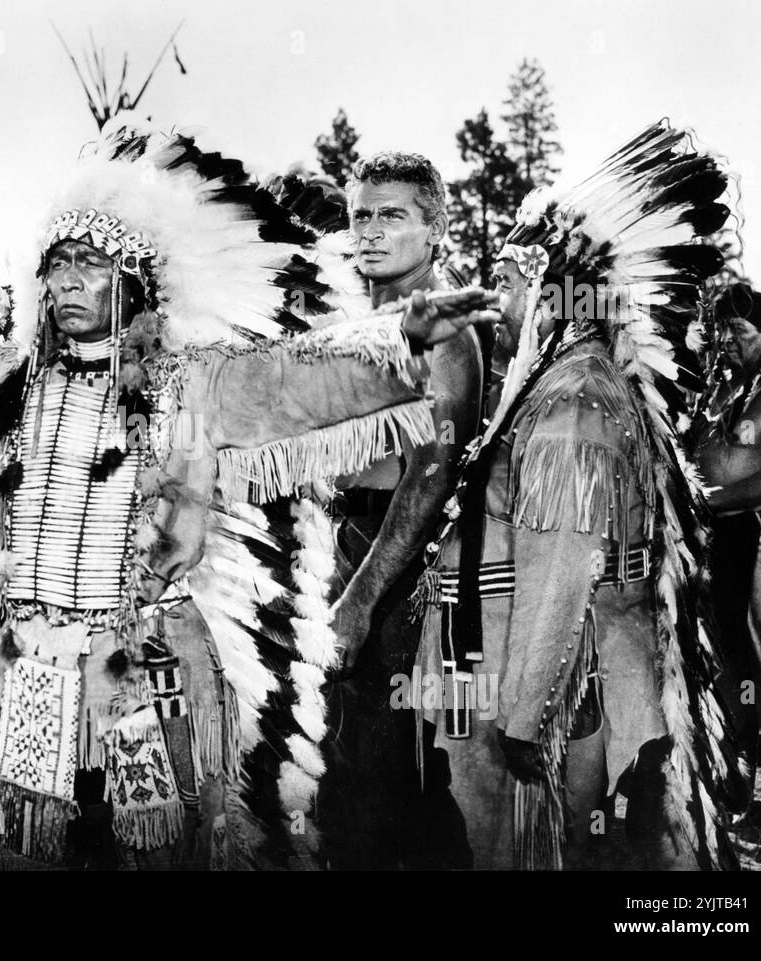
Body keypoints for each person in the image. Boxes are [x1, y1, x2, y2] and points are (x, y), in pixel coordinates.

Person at [0, 115, 496, 869]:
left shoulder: (192, 385)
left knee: (157, 851)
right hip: (28, 667)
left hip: (152, 671)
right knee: (28, 851)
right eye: (55, 264)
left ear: (132, 282)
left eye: (88, 263)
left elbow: (297, 382)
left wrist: (399, 336)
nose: (65, 279)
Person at [408, 121, 740, 869]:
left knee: (529, 849)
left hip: (551, 692)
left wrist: (524, 716)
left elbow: (561, 568)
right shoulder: (560, 387)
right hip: (526, 667)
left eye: (516, 277)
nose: (503, 295)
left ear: (559, 292)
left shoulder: (572, 401)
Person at [319, 152, 483, 869]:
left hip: (397, 572)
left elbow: (430, 477)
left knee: (376, 777)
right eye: (361, 215)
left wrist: (359, 601)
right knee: (362, 771)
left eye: (393, 215)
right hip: (346, 545)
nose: (371, 231)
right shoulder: (368, 324)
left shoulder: (444, 333)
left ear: (436, 229)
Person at [692, 284, 761, 826]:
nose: (728, 339)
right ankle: (743, 778)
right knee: (729, 659)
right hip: (718, 543)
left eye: (740, 330)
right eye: (722, 329)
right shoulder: (718, 395)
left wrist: (708, 503)